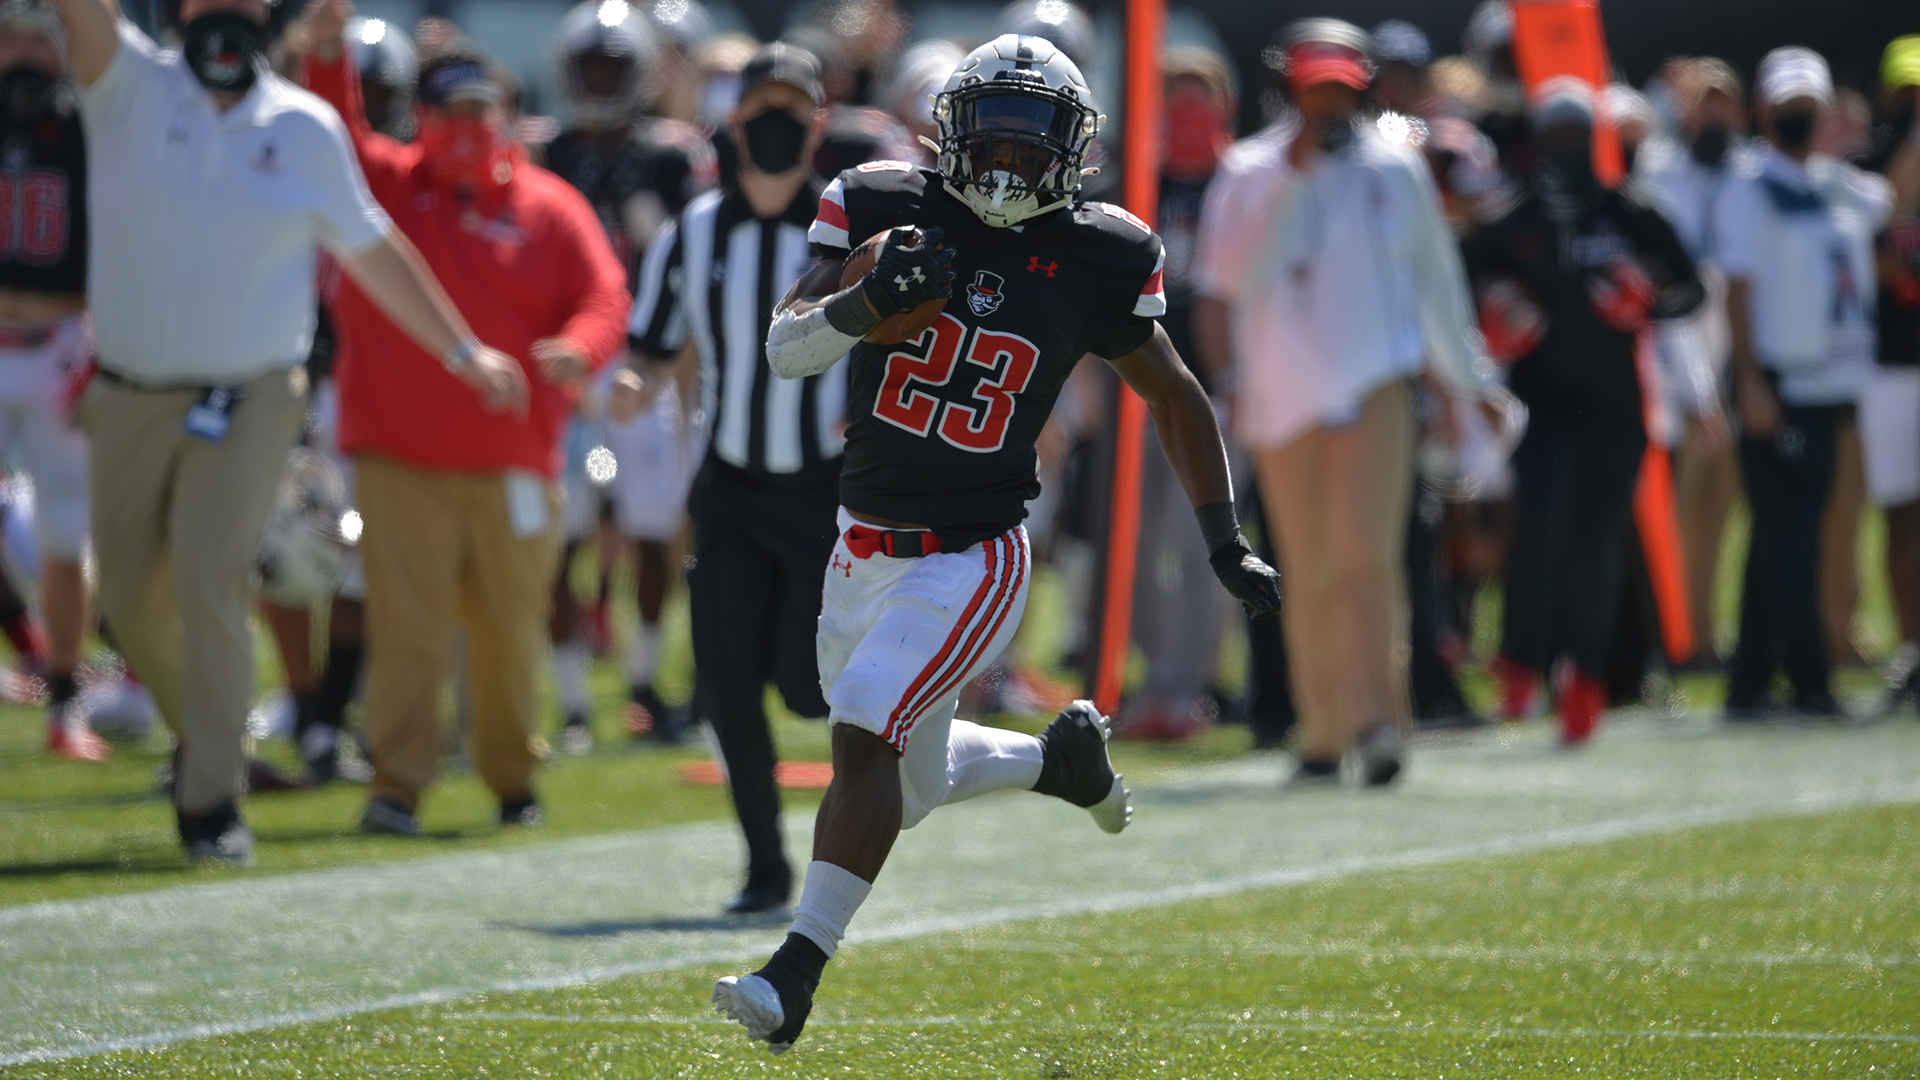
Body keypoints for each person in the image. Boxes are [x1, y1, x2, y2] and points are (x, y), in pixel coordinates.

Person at [710, 32, 1281, 1054]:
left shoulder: (1101, 251)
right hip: (862, 544)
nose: (1012, 163)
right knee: (910, 783)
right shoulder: (880, 203)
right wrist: (864, 304)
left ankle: (794, 972)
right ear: (951, 135)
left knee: (866, 736)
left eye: (1035, 145)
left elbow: (1176, 395)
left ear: (1073, 151)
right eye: (996, 141)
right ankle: (1061, 764)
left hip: (974, 550)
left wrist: (1222, 538)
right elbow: (784, 348)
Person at [50, 0, 524, 865]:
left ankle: (211, 801)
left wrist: (463, 351)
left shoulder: (304, 126)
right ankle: (210, 735)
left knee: (209, 576)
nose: (222, 12)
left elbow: (372, 249)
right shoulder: (126, 81)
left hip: (254, 394)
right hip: (126, 395)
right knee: (124, 595)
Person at [298, 0, 627, 834]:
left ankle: (514, 782)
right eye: (450, 113)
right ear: (424, 118)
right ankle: (396, 785)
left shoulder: (550, 207)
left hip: (518, 459)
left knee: (509, 632)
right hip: (401, 457)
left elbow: (603, 295)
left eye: (481, 113)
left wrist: (580, 350)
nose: (467, 129)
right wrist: (329, 49)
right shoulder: (388, 185)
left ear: (506, 119)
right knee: (406, 628)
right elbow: (331, 130)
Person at [1192, 19, 1494, 787]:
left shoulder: (1396, 167)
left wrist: (1468, 382)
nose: (1328, 105)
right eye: (1314, 89)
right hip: (1280, 398)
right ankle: (1321, 733)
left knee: (1368, 559)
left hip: (1375, 389)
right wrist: (1291, 182)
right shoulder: (1250, 170)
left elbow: (1436, 283)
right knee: (1307, 570)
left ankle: (1379, 725)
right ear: (1289, 89)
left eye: (1340, 89)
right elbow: (1224, 282)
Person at [612, 43, 848, 915]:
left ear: (818, 122)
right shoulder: (694, 229)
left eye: (796, 107)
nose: (779, 123)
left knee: (803, 683)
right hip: (732, 488)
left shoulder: (847, 227)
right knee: (724, 685)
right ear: (736, 122)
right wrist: (631, 387)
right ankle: (764, 868)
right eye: (764, 108)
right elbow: (647, 342)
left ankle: (855, 834)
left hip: (825, 490)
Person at [1465, 79, 1703, 743]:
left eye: (1576, 138)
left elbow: (1692, 290)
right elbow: (1461, 286)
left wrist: (1647, 299)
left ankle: (1588, 675)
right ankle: (1523, 663)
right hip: (1540, 402)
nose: (1564, 152)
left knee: (1596, 542)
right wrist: (1496, 303)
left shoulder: (1629, 212)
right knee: (1538, 525)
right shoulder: (1512, 222)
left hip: (1614, 407)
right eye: (1554, 139)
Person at [543, 0, 713, 749]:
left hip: (648, 361)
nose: (604, 82)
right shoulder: (544, 151)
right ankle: (573, 698)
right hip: (570, 359)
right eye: (593, 68)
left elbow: (694, 259)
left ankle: (643, 680)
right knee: (566, 529)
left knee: (654, 524)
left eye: (616, 67)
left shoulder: (671, 154)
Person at [1716, 48, 1892, 719]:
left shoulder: (1836, 183)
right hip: (1779, 382)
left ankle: (1749, 681)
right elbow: (1737, 289)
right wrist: (1752, 382)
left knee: (1780, 536)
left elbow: (1890, 201)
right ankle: (1808, 679)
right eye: (1786, 107)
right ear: (1763, 110)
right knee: (1791, 535)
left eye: (1807, 108)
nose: (1796, 118)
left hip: (1830, 383)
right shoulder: (1748, 185)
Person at [1117, 44, 1239, 741]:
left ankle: (1187, 689)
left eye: (1202, 96)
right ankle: (1152, 679)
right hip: (1141, 384)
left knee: (1201, 547)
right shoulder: (1136, 182)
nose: (1188, 113)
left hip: (1216, 395)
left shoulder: (1243, 181)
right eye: (1175, 98)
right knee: (1132, 548)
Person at [0, 1, 103, 762]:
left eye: (44, 34)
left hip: (61, 343)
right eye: (14, 34)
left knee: (69, 537)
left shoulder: (90, 125)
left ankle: (67, 704)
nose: (29, 52)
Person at [1638, 58, 1748, 671]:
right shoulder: (1660, 177)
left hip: (1737, 366)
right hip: (1677, 373)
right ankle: (1678, 638)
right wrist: (1697, 389)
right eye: (1699, 103)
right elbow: (1672, 294)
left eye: (1721, 103)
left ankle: (1705, 633)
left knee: (1717, 517)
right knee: (1678, 516)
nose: (1711, 116)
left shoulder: (1748, 174)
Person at [1860, 36, 1920, 706]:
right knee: (1901, 520)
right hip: (1891, 364)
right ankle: (1911, 648)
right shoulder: (1872, 164)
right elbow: (1871, 233)